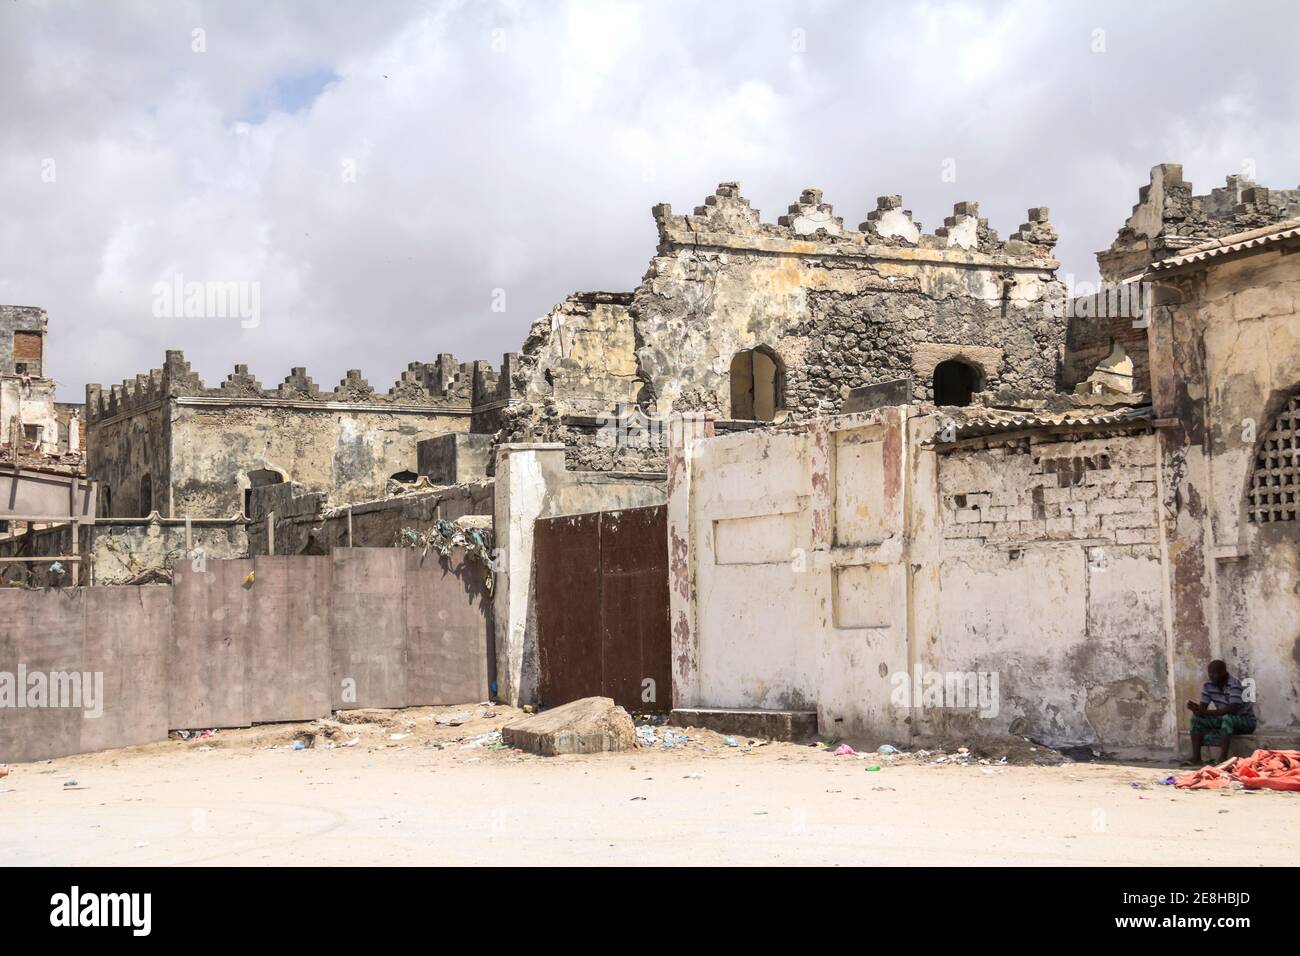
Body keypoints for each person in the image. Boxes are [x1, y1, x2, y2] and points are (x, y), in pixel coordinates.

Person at [1186, 660, 1256, 765]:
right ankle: (1196, 757)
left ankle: (1223, 758)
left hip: (1245, 721)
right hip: (1225, 718)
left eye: (1215, 673)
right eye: (1210, 673)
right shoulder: (1208, 685)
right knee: (1196, 719)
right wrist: (1196, 710)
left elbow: (1233, 709)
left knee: (1227, 718)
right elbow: (1203, 708)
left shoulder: (1234, 684)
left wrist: (1206, 712)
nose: (1212, 676)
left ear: (1224, 672)